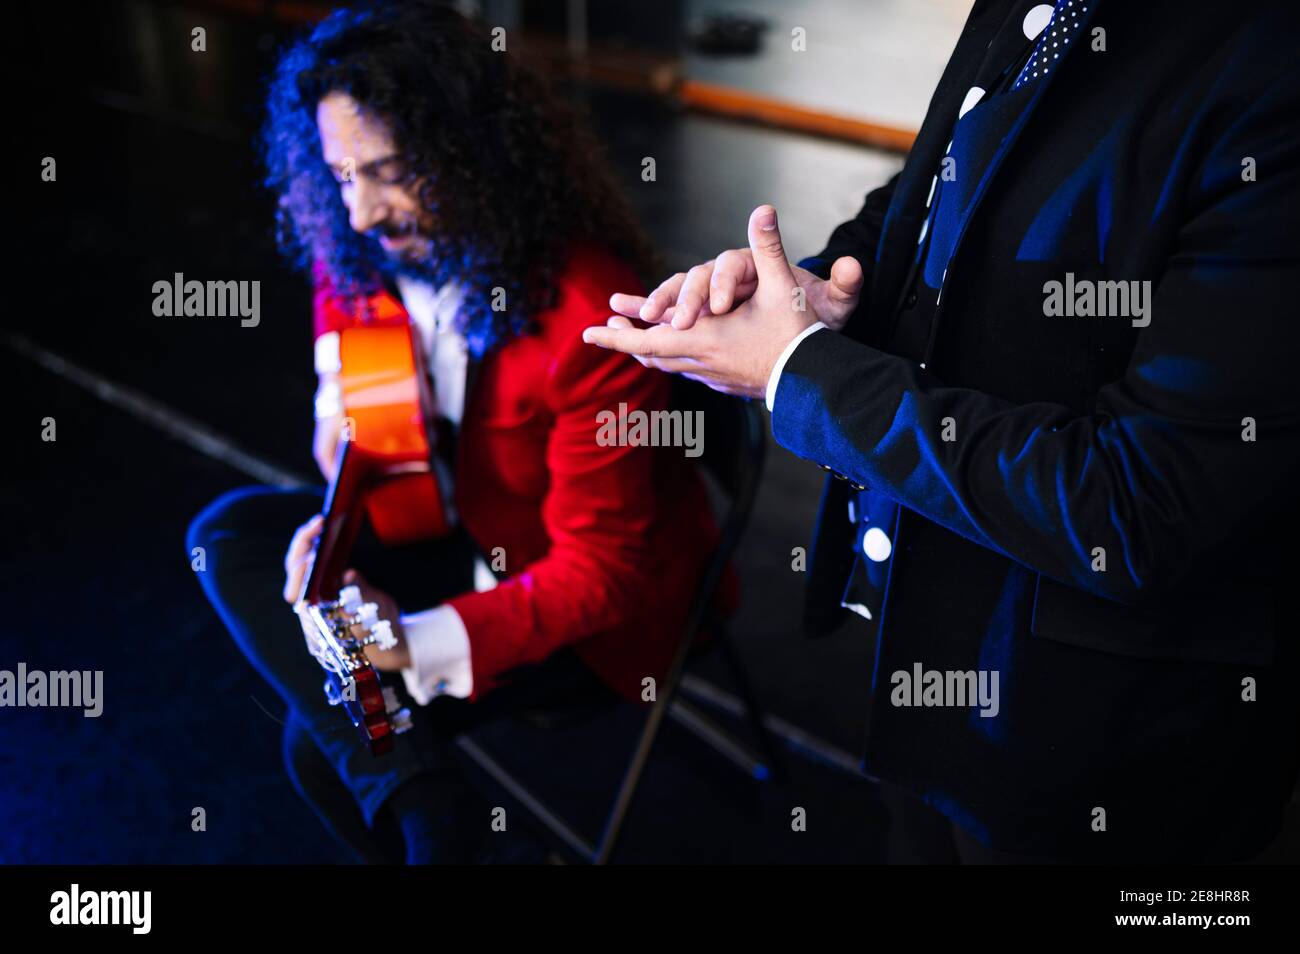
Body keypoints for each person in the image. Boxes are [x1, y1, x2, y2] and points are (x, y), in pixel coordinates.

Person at [586, 0, 1300, 863]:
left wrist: (797, 369)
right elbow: (933, 185)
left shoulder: (1270, 66)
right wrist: (819, 288)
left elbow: (1142, 506)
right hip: (928, 651)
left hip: (1096, 749)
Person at [188, 1, 721, 864]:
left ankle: (429, 814)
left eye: (390, 172)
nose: (360, 211)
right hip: (436, 521)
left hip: (575, 602)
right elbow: (349, 403)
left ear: (471, 154)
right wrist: (340, 515)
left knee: (314, 746)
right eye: (341, 175)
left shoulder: (593, 317)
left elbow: (603, 574)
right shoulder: (354, 239)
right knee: (225, 535)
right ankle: (430, 803)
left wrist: (412, 643)